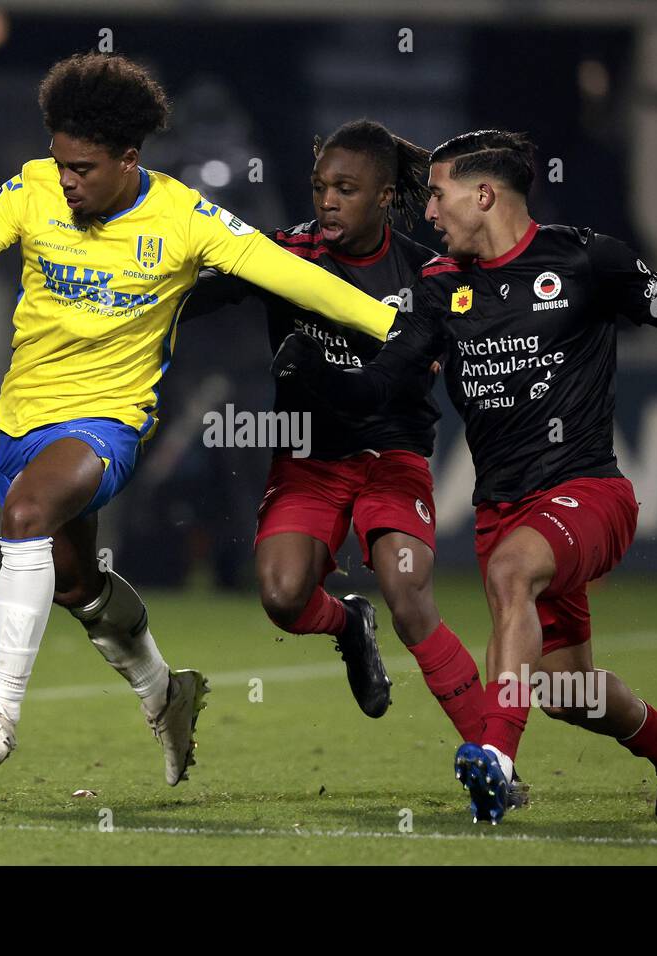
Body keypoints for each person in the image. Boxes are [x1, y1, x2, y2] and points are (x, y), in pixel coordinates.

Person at [0, 53, 400, 785]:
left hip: (109, 423)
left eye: (83, 168)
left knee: (26, 514)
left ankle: (0, 711)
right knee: (75, 587)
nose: (67, 180)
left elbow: (286, 272)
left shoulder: (184, 217)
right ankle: (166, 692)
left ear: (129, 159)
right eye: (60, 163)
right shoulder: (31, 191)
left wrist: (387, 324)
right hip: (23, 421)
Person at [273, 129, 657, 821]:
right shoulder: (439, 286)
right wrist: (321, 373)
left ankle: (496, 759)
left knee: (511, 575)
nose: (428, 214)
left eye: (438, 196)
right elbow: (383, 385)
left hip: (590, 494)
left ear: (484, 195)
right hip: (502, 511)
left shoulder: (583, 259)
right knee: (564, 688)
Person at [180, 120, 495, 763]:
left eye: (346, 189)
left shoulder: (426, 275)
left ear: (383, 197)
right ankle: (348, 622)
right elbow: (205, 294)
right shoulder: (287, 254)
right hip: (309, 460)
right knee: (281, 596)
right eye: (321, 186)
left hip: (392, 458)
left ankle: (493, 756)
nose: (327, 201)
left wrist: (314, 365)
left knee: (407, 594)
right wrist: (127, 303)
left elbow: (399, 383)